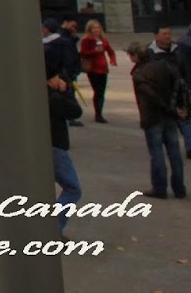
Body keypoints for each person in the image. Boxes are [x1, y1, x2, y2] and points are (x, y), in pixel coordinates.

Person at [130, 41, 187, 199]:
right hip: (168, 114)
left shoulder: (139, 73)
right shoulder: (164, 65)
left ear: (136, 56)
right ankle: (179, 187)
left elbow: (150, 94)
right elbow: (179, 83)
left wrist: (167, 106)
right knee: (174, 152)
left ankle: (160, 187)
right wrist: (178, 106)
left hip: (153, 115)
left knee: (157, 153)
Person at [146, 25, 191, 160]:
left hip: (179, 89)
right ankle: (163, 146)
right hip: (160, 91)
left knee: (185, 117)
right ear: (156, 35)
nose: (168, 36)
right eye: (164, 33)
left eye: (169, 34)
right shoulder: (149, 52)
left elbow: (186, 69)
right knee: (166, 120)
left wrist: (189, 88)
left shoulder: (177, 50)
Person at [47, 71, 83, 231]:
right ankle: (53, 227)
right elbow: (75, 111)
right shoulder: (53, 97)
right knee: (72, 188)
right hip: (55, 144)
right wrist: (66, 91)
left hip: (49, 143)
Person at [78, 19, 117, 123]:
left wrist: (113, 60)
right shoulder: (87, 40)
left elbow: (111, 51)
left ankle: (99, 112)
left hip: (103, 69)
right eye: (94, 28)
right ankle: (98, 114)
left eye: (98, 27)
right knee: (98, 91)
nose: (96, 30)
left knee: (101, 91)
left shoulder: (103, 40)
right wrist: (93, 51)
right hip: (93, 69)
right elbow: (83, 53)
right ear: (90, 29)